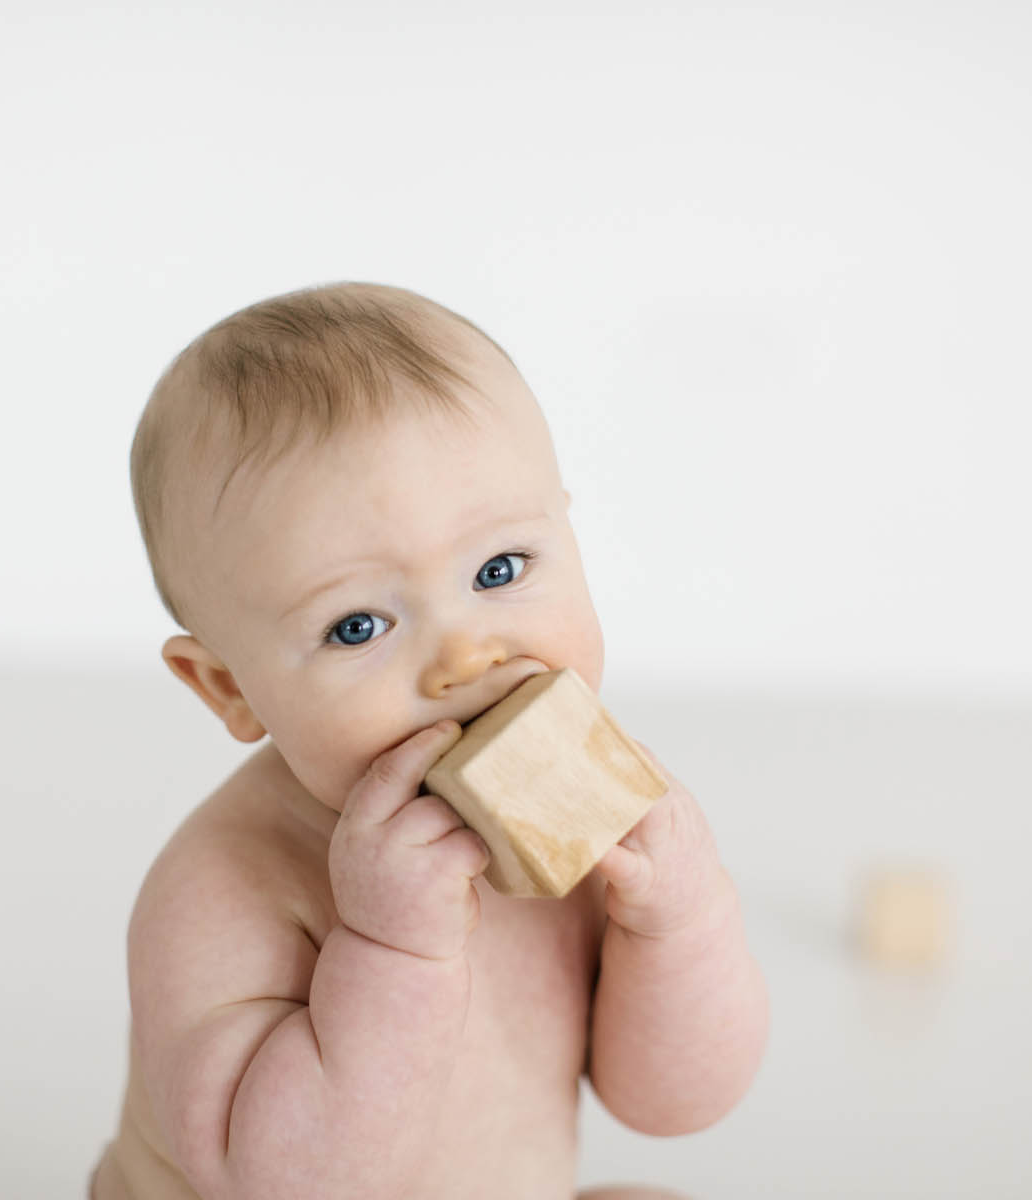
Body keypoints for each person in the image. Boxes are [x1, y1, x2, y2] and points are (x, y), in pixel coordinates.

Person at [91, 281, 769, 1199]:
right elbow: (286, 1184)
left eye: (500, 569)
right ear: (228, 686)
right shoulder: (225, 888)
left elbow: (670, 1105)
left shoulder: (578, 834)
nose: (465, 656)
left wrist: (682, 917)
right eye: (359, 626)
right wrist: (390, 950)